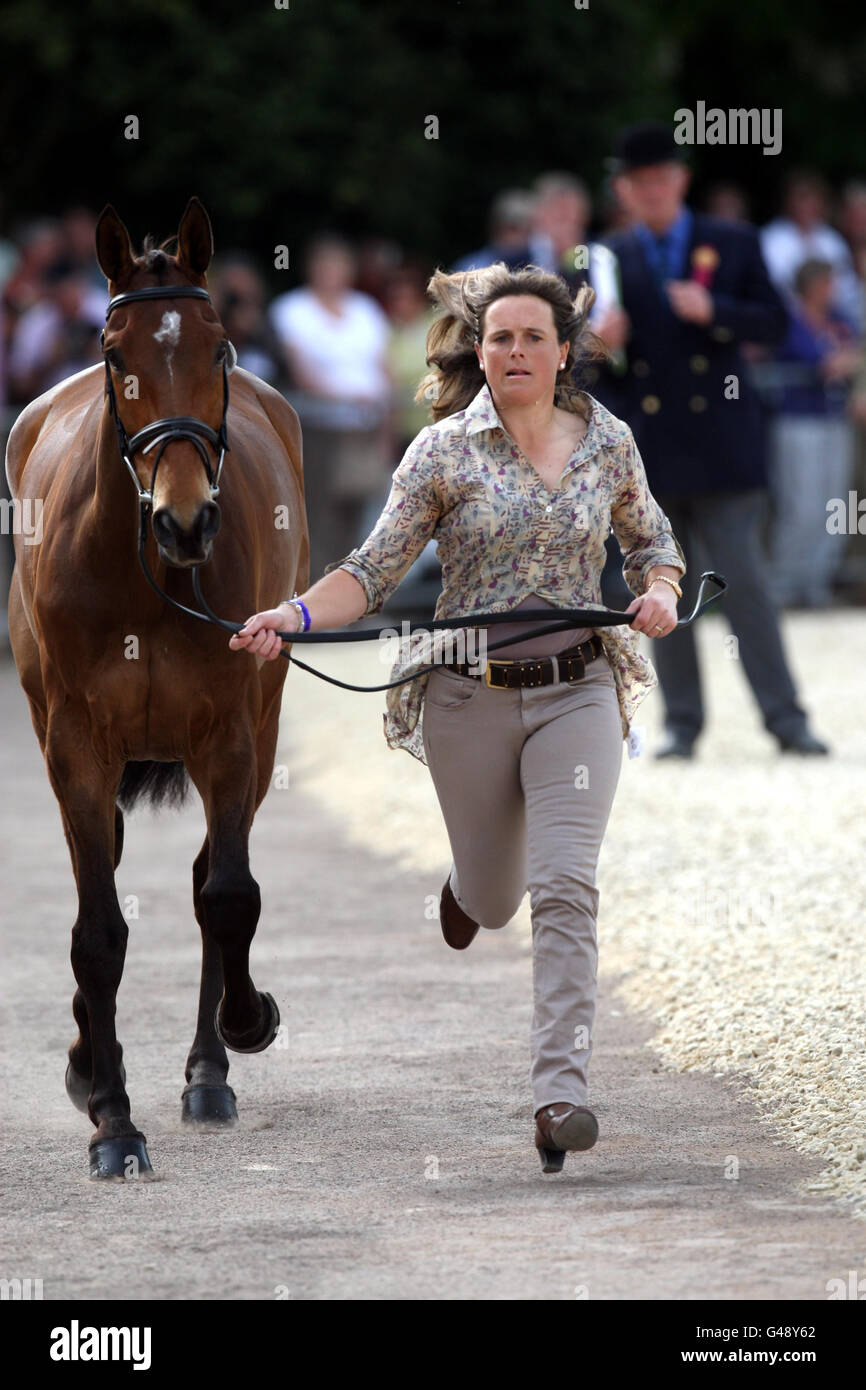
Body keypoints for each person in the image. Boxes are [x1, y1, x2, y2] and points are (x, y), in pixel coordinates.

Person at [228, 263, 687, 1170]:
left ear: (564, 353)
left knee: (566, 888)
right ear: (479, 352)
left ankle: (561, 1098)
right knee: (496, 897)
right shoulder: (441, 451)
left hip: (579, 690)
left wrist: (663, 589)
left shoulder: (610, 443)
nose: (515, 351)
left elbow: (652, 542)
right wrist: (295, 615)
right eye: (500, 338)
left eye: (533, 338)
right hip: (467, 697)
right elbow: (370, 570)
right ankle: (467, 890)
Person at [597, 121, 830, 758]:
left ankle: (786, 719)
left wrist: (716, 312)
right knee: (659, 590)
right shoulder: (606, 256)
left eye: (661, 179)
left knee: (745, 584)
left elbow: (778, 322)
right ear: (624, 188)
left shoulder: (732, 241)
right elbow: (584, 367)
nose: (651, 191)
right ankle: (682, 724)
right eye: (638, 182)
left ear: (680, 180)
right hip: (652, 452)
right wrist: (601, 346)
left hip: (723, 446)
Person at [269, 234, 391, 580]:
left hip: (365, 428)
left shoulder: (366, 309)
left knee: (363, 514)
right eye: (324, 266)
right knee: (319, 515)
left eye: (338, 266)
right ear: (312, 270)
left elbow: (385, 370)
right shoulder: (292, 309)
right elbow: (301, 372)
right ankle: (316, 594)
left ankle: (354, 593)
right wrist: (352, 397)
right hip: (318, 427)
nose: (331, 274)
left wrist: (385, 425)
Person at [765, 258, 860, 607]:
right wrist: (838, 362)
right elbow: (816, 362)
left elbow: (854, 355)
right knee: (801, 506)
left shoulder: (839, 319)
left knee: (834, 506)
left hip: (835, 420)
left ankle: (816, 584)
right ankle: (783, 585)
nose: (832, 289)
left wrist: (843, 362)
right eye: (827, 283)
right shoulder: (791, 321)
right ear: (812, 286)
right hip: (798, 422)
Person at [761, 170, 863, 333]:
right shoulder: (771, 239)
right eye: (802, 198)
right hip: (787, 317)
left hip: (832, 315)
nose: (807, 205)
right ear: (788, 201)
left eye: (813, 199)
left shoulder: (832, 240)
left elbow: (846, 286)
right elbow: (773, 287)